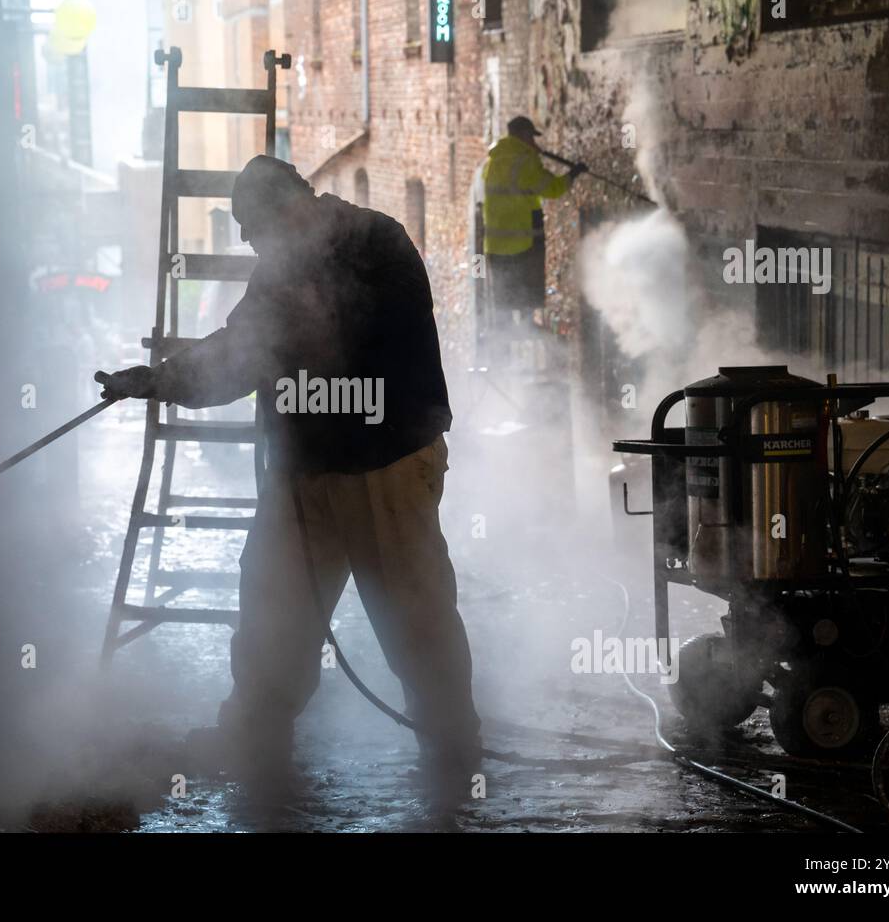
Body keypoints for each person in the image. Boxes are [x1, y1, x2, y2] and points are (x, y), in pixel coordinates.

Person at [100, 154, 481, 793]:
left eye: (251, 226)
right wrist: (157, 381)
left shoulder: (373, 242)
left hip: (384, 464)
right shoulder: (285, 269)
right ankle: (252, 732)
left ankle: (452, 746)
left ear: (285, 208)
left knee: (415, 613)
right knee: (274, 602)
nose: (248, 241)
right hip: (308, 469)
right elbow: (242, 350)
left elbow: (287, 347)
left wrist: (257, 359)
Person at [479, 115, 584, 361]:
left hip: (494, 247)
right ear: (524, 135)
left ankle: (502, 349)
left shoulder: (492, 162)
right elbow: (553, 189)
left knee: (505, 305)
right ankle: (529, 327)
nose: (534, 142)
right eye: (531, 136)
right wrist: (574, 174)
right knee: (528, 302)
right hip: (523, 246)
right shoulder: (525, 162)